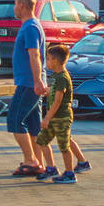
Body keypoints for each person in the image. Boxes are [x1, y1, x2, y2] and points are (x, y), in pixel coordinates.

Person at [34, 43, 91, 184]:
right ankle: (52, 168)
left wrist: (46, 118)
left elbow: (58, 101)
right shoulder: (57, 76)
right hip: (55, 118)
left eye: (48, 59)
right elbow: (54, 91)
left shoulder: (62, 78)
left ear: (55, 61)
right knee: (42, 140)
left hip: (61, 117)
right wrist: (46, 90)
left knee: (64, 145)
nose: (46, 62)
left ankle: (69, 173)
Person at [7, 0, 47, 176]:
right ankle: (37, 162)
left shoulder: (30, 27)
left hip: (29, 83)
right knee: (33, 124)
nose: (14, 8)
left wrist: (37, 80)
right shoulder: (31, 25)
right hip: (30, 82)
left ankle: (30, 160)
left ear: (21, 6)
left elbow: (34, 54)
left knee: (15, 119)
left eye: (15, 4)